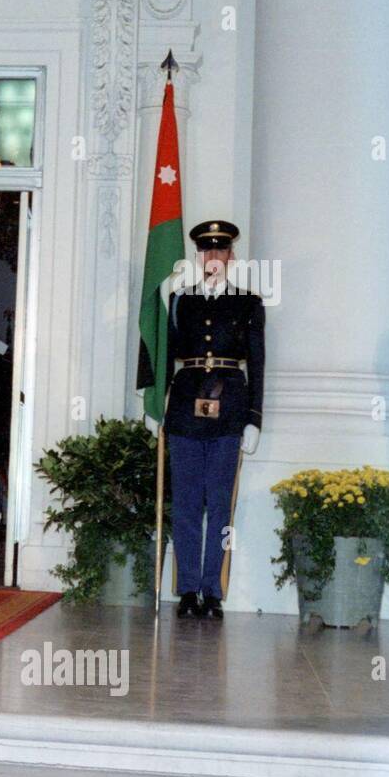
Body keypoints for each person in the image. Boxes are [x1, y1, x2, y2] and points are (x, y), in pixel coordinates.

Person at [164, 220, 264, 620]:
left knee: (220, 506)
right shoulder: (178, 301)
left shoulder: (248, 302)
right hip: (186, 408)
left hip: (230, 411)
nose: (213, 259)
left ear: (231, 258)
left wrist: (254, 418)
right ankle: (188, 589)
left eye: (220, 252)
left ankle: (213, 590)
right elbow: (163, 354)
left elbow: (257, 363)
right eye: (207, 252)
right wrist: (157, 401)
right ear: (198, 257)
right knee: (187, 504)